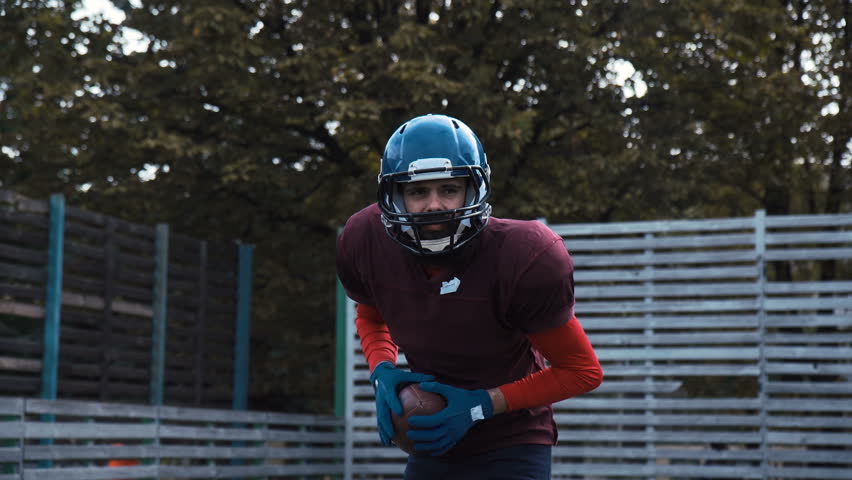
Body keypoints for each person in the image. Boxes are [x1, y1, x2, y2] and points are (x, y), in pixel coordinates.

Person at [336, 114, 603, 480]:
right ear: (395, 196)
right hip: (431, 440)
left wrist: (481, 405)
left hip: (512, 440)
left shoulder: (522, 257)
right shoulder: (364, 239)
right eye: (418, 192)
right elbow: (371, 316)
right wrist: (382, 369)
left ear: (472, 190)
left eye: (448, 189)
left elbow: (581, 371)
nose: (433, 205)